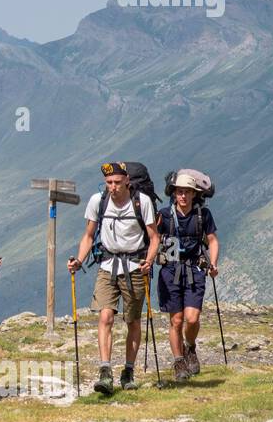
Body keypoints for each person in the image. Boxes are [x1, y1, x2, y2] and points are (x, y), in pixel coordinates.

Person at [67, 162, 158, 395]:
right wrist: (79, 260)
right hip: (107, 266)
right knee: (105, 316)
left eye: (117, 182)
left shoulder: (142, 202)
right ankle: (105, 372)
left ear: (127, 180)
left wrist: (148, 260)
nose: (113, 187)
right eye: (109, 183)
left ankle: (128, 372)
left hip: (135, 267)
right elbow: (88, 236)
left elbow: (154, 237)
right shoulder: (98, 201)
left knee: (133, 321)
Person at [157, 172, 220, 381]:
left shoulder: (203, 216)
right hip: (170, 271)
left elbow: (212, 241)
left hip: (194, 270)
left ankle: (190, 347)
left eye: (187, 192)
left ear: (194, 194)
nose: (182, 196)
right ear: (174, 193)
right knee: (176, 320)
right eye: (179, 192)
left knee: (192, 319)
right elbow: (153, 238)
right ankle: (179, 362)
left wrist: (213, 263)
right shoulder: (164, 216)